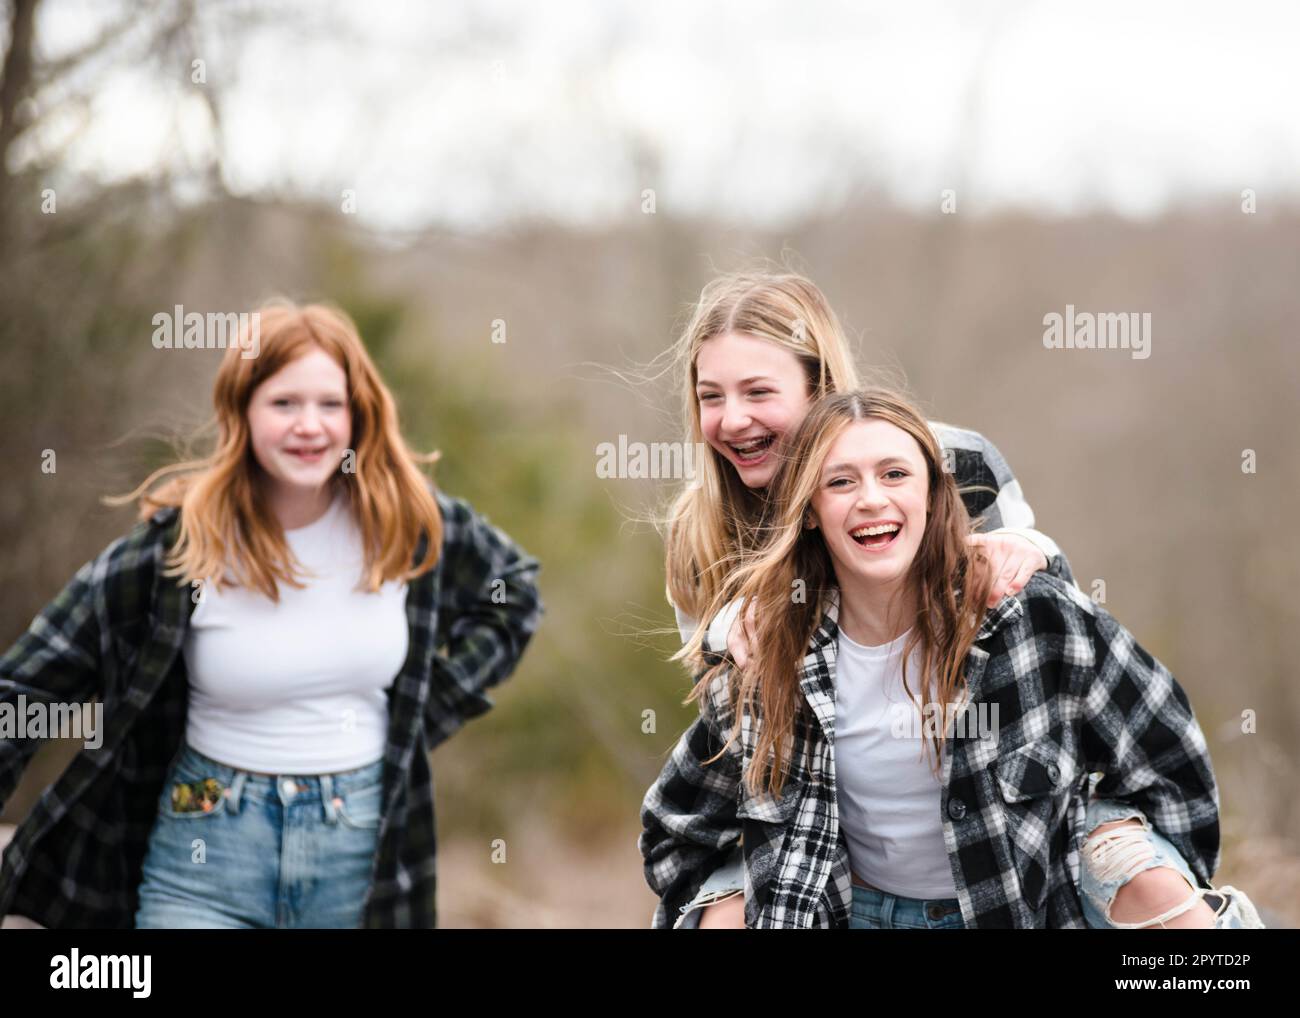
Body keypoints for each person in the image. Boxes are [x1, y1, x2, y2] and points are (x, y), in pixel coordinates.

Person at [0, 300, 542, 928]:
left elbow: (513, 595)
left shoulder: (409, 523)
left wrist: (427, 707)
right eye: (284, 403)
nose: (309, 426)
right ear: (243, 410)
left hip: (360, 853)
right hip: (205, 844)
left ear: (359, 413)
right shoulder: (177, 546)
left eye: (329, 405)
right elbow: (26, 687)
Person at [641, 387, 1263, 929]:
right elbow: (676, 823)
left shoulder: (1028, 618)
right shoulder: (773, 651)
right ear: (808, 512)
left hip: (1022, 909)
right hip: (852, 912)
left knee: (1165, 903)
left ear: (934, 497)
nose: (870, 499)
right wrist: (729, 898)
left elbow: (1168, 758)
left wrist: (1125, 854)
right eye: (840, 481)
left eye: (894, 474)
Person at [660, 270, 1069, 926]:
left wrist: (1033, 548)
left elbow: (1050, 627)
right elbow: (721, 725)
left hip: (982, 808)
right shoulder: (702, 529)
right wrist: (722, 634)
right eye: (712, 397)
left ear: (820, 385)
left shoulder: (952, 467)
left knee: (1136, 876)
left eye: (758, 392)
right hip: (805, 820)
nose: (732, 419)